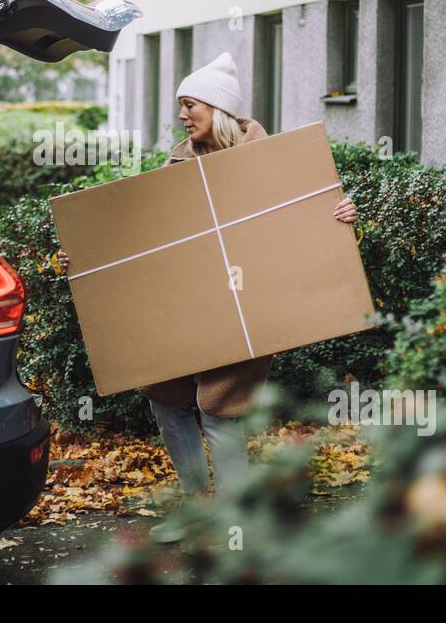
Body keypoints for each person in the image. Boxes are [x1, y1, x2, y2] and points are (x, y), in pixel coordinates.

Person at [57, 53, 358, 532]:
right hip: (187, 310)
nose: (181, 115)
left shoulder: (268, 161)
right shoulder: (177, 162)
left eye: (188, 104)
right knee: (165, 395)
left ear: (215, 109)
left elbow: (298, 222)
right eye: (180, 105)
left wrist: (337, 214)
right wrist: (87, 260)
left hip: (248, 308)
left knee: (219, 407)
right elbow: (147, 238)